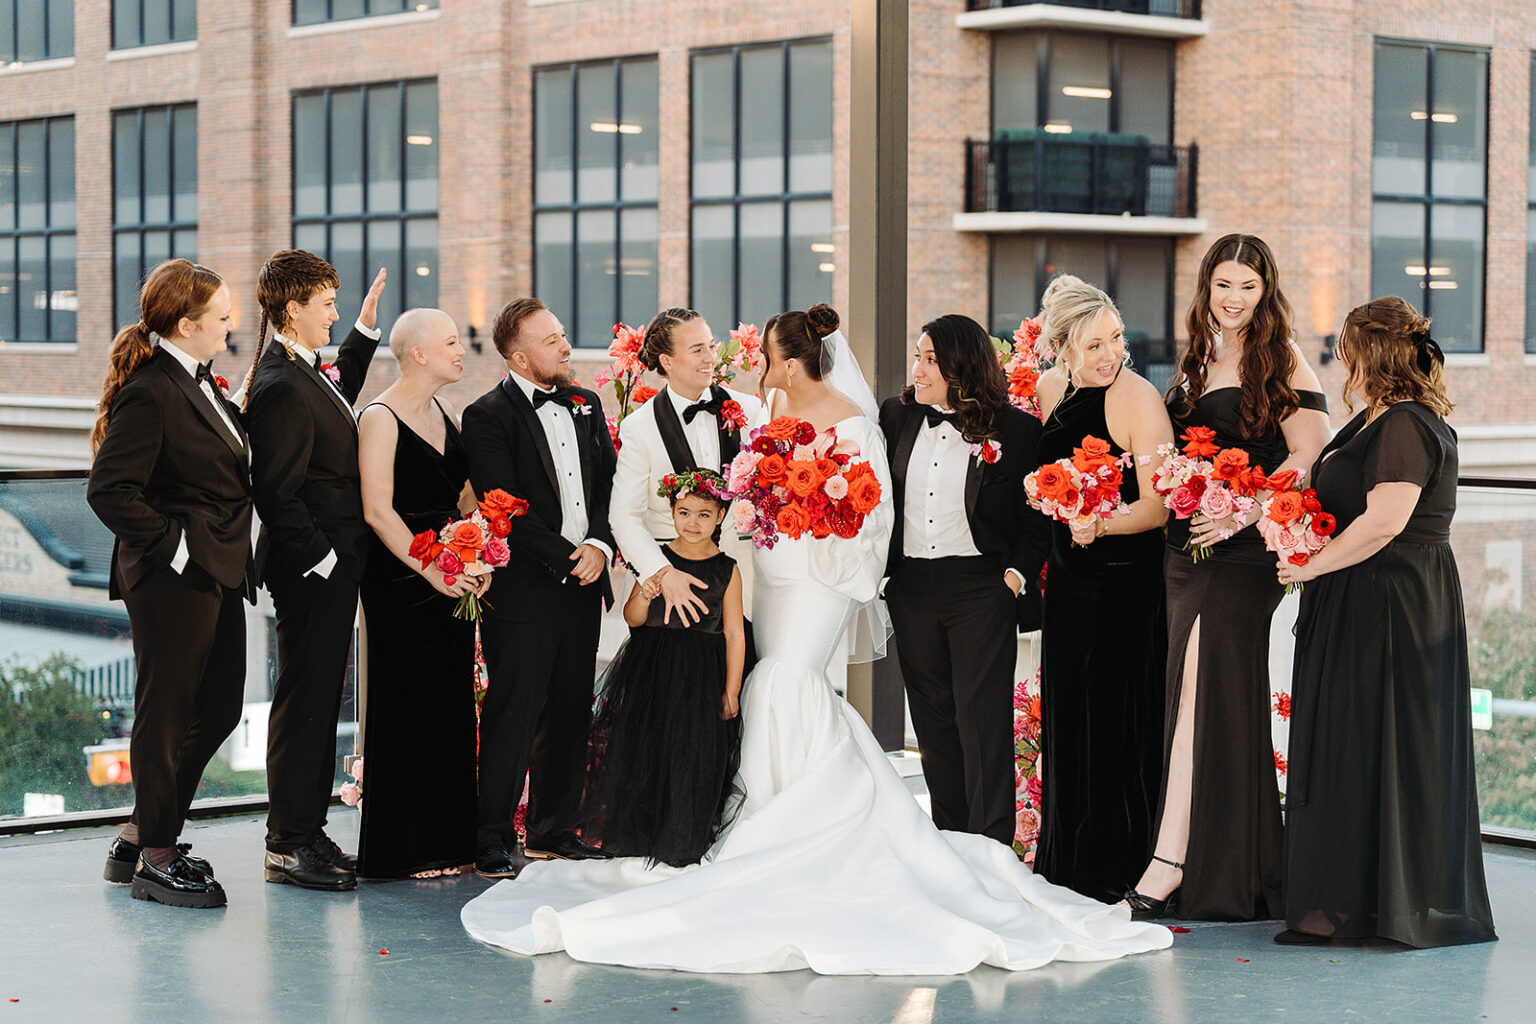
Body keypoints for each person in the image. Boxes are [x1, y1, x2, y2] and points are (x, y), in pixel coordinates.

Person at [459, 304, 1172, 975]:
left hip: (827, 577)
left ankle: (810, 830)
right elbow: (729, 501)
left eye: (764, 357)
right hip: (769, 575)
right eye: (703, 349)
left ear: (791, 362)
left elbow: (875, 513)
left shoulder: (857, 421)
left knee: (792, 682)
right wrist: (754, 520)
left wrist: (836, 547)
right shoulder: (768, 412)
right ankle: (769, 818)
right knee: (789, 687)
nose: (746, 365)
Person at [1274, 298, 1496, 948]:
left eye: (1345, 345)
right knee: (1358, 745)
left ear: (1366, 353)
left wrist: (1309, 565)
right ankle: (1358, 902)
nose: (1339, 356)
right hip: (1365, 597)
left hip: (1393, 603)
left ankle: (1389, 907)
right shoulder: (1376, 417)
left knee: (1387, 743)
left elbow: (1384, 522)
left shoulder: (1403, 423)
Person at [1124, 235, 1331, 921]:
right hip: (1185, 551)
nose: (1234, 298)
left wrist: (1244, 508)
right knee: (1200, 694)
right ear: (1206, 288)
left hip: (1242, 555)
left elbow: (1309, 455)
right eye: (1223, 285)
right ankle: (1233, 865)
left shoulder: (1283, 358)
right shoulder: (1197, 358)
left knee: (1198, 691)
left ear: (1266, 290)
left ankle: (1169, 862)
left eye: (1248, 285)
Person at [87, 259, 254, 908]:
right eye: (222, 317)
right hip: (171, 578)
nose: (231, 326)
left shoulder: (201, 381)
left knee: (220, 707)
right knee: (167, 713)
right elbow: (109, 490)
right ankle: (156, 857)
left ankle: (139, 834)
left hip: (218, 568)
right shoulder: (151, 390)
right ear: (187, 325)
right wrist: (179, 548)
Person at [243, 251, 388, 892]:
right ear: (292, 308)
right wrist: (325, 561)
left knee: (321, 702)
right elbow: (276, 494)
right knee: (305, 705)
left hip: (327, 566)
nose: (333, 313)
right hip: (311, 570)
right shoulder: (278, 383)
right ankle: (286, 845)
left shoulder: (303, 370)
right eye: (326, 304)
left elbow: (335, 397)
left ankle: (306, 829)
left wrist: (363, 329)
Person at [459, 297, 618, 880]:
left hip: (585, 583)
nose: (566, 346)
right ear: (519, 356)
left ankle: (554, 830)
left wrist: (599, 545)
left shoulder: (587, 404)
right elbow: (502, 506)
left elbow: (610, 486)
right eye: (552, 340)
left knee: (572, 710)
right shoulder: (486, 415)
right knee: (514, 713)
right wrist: (568, 557)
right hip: (525, 590)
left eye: (562, 334)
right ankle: (492, 838)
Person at [879, 313, 1050, 847]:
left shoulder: (1017, 430)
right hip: (912, 587)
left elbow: (1036, 518)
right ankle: (949, 839)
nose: (917, 369)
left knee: (983, 719)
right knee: (932, 719)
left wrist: (1013, 579)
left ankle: (992, 846)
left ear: (963, 366)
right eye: (917, 357)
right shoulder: (895, 417)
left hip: (981, 587)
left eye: (931, 360)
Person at [1030, 276, 1174, 904]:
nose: (1111, 354)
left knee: (1116, 724)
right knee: (1070, 717)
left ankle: (1120, 867)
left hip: (1126, 588)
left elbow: (1158, 509)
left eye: (1116, 338)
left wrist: (1100, 523)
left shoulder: (1138, 398)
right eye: (1094, 345)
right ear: (1062, 347)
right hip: (1068, 584)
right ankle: (1067, 864)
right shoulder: (1049, 389)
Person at [354, 309, 483, 879]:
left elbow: (463, 498)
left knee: (448, 705)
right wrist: (434, 569)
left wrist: (480, 553)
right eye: (451, 343)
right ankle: (402, 850)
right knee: (404, 704)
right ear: (419, 354)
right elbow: (377, 511)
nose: (461, 351)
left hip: (450, 572)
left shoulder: (446, 410)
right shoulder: (378, 417)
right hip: (400, 578)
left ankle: (449, 842)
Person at [583, 468, 745, 867]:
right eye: (684, 513)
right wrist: (646, 591)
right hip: (652, 668)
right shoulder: (656, 559)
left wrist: (732, 690)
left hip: (702, 675)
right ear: (671, 512)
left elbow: (734, 633)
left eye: (704, 514)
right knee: (646, 750)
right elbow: (634, 618)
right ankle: (636, 834)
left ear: (720, 517)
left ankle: (681, 839)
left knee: (691, 754)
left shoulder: (727, 569)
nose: (693, 522)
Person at [609, 307, 765, 628]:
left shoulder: (750, 410)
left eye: (711, 346)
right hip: (670, 591)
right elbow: (624, 516)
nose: (710, 358)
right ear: (667, 361)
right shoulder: (639, 427)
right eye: (697, 350)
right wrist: (663, 574)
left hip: (745, 589)